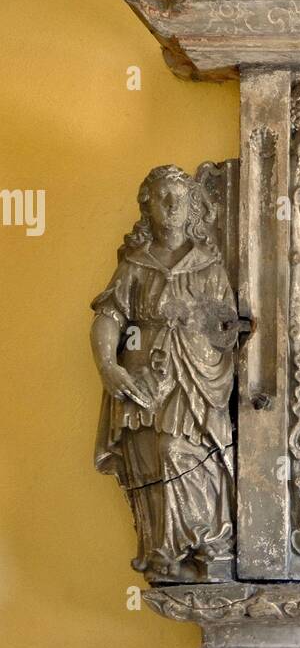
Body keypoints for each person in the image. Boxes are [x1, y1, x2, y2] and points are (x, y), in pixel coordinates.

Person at [91, 165, 237, 580]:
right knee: (150, 457)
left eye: (180, 198)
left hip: (198, 373)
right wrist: (108, 366)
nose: (172, 206)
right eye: (163, 198)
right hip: (145, 377)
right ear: (147, 205)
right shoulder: (136, 265)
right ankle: (163, 552)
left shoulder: (208, 265)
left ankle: (208, 540)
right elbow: (109, 316)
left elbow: (225, 325)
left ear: (192, 205)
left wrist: (209, 341)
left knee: (182, 450)